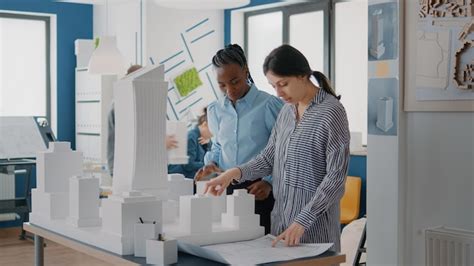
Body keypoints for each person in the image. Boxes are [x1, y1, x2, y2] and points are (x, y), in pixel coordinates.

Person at [204, 44, 350, 251]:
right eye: (274, 86)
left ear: (302, 75)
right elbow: (268, 158)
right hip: (280, 226)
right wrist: (232, 174)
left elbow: (335, 178)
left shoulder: (331, 112)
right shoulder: (287, 112)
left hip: (315, 232)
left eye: (283, 84)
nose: (279, 93)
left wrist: (302, 221)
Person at [196, 44, 283, 234]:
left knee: (260, 251)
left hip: (258, 189)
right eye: (222, 85)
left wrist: (269, 182)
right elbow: (218, 146)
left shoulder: (269, 105)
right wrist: (211, 163)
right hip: (226, 187)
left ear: (246, 71)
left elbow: (283, 151)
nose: (229, 90)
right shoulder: (215, 110)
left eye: (234, 81)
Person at [107, 64, 178, 177]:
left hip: (132, 168)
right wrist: (159, 143)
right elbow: (130, 140)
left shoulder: (128, 101)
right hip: (125, 170)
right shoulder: (121, 105)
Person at [168, 108, 212, 179]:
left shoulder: (203, 140)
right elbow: (189, 165)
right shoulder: (191, 137)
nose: (212, 134)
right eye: (212, 130)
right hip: (180, 177)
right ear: (205, 124)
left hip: (189, 178)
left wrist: (209, 143)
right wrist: (207, 165)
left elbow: (210, 158)